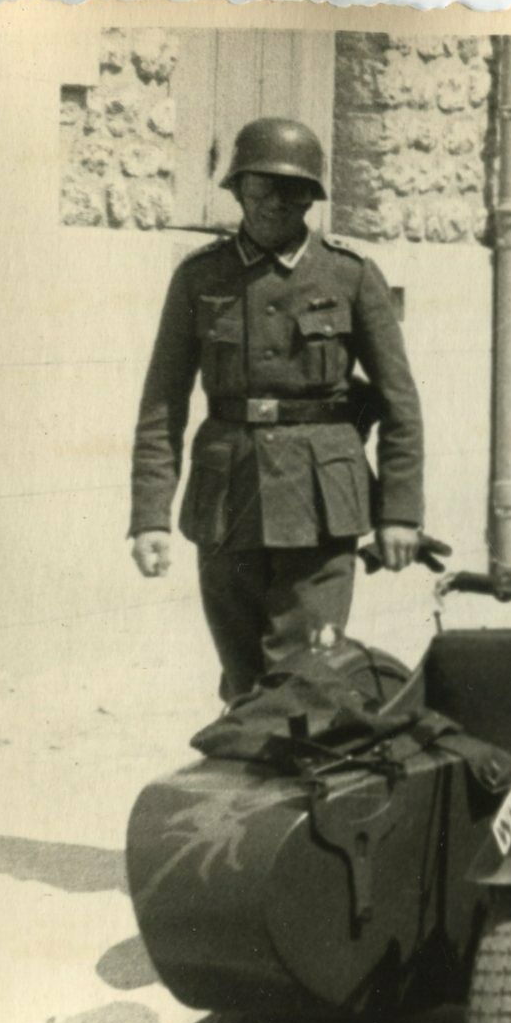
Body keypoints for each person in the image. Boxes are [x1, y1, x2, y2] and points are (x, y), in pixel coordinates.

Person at [128, 117, 425, 701]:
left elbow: (400, 403)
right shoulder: (199, 277)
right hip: (226, 499)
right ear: (236, 190)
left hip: (320, 505)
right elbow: (163, 402)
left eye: (292, 191)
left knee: (305, 680)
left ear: (312, 199)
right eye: (260, 187)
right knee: (243, 681)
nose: (273, 204)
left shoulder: (350, 276)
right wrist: (150, 516)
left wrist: (401, 511)